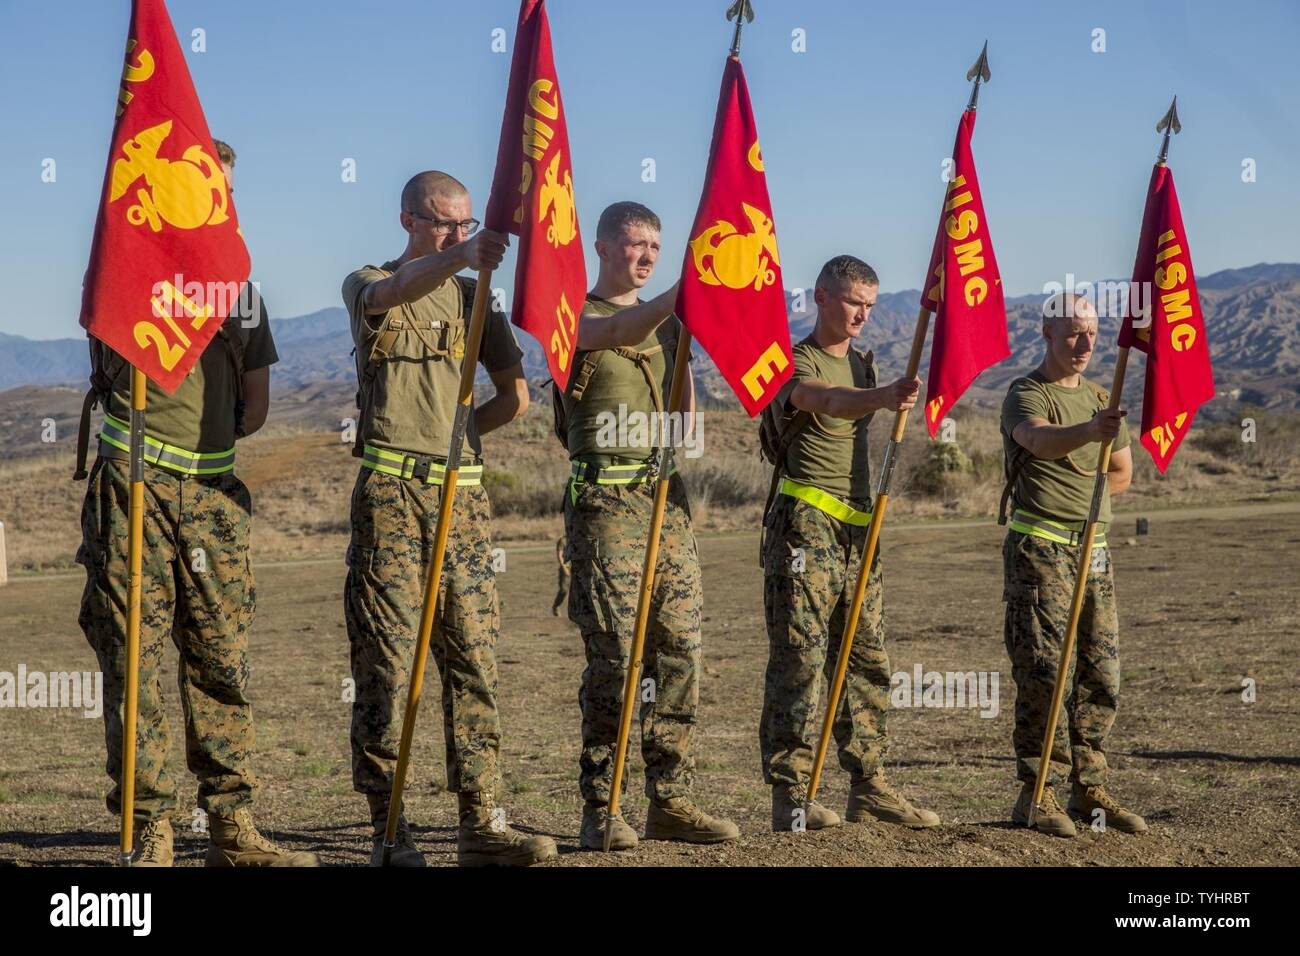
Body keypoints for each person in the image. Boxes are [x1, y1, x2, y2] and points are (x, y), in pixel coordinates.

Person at [76, 140, 316, 867]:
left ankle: (231, 825)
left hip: (211, 494)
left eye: (229, 192)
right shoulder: (127, 274)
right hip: (133, 488)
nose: (222, 205)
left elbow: (255, 410)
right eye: (208, 189)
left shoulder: (241, 289)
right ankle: (147, 823)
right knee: (136, 660)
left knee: (220, 660)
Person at [342, 170, 556, 866]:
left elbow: (515, 398)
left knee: (474, 664)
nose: (456, 235)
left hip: (462, 498)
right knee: (388, 668)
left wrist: (460, 439)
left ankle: (481, 825)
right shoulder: (369, 280)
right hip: (392, 497)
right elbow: (388, 295)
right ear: (407, 219)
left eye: (464, 225)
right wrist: (458, 259)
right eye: (441, 222)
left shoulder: (477, 300)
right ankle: (389, 829)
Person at [560, 201, 739, 851]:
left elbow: (685, 429)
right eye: (635, 244)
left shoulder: (666, 326)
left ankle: (671, 798)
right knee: (616, 659)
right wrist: (678, 295)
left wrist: (688, 343)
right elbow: (612, 333)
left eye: (655, 248)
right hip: (605, 508)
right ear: (604, 247)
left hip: (666, 500)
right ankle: (600, 805)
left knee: (680, 652)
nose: (644, 255)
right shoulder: (575, 316)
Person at [759, 254, 939, 832]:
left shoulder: (864, 365)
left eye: (870, 303)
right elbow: (824, 403)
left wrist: (882, 390)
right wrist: (884, 397)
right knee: (801, 662)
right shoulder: (792, 359)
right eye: (852, 301)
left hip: (859, 531)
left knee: (865, 661)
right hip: (804, 526)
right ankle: (791, 793)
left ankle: (869, 784)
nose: (862, 313)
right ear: (820, 298)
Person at [1001, 291, 1146, 837]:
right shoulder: (1026, 394)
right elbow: (1037, 441)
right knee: (1044, 673)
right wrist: (1089, 432)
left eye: (1091, 333)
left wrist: (1091, 493)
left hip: (1095, 552)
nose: (1084, 344)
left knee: (1099, 674)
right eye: (1072, 334)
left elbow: (1122, 474)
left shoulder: (1100, 398)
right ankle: (1037, 793)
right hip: (1039, 551)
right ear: (1047, 334)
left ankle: (1089, 787)